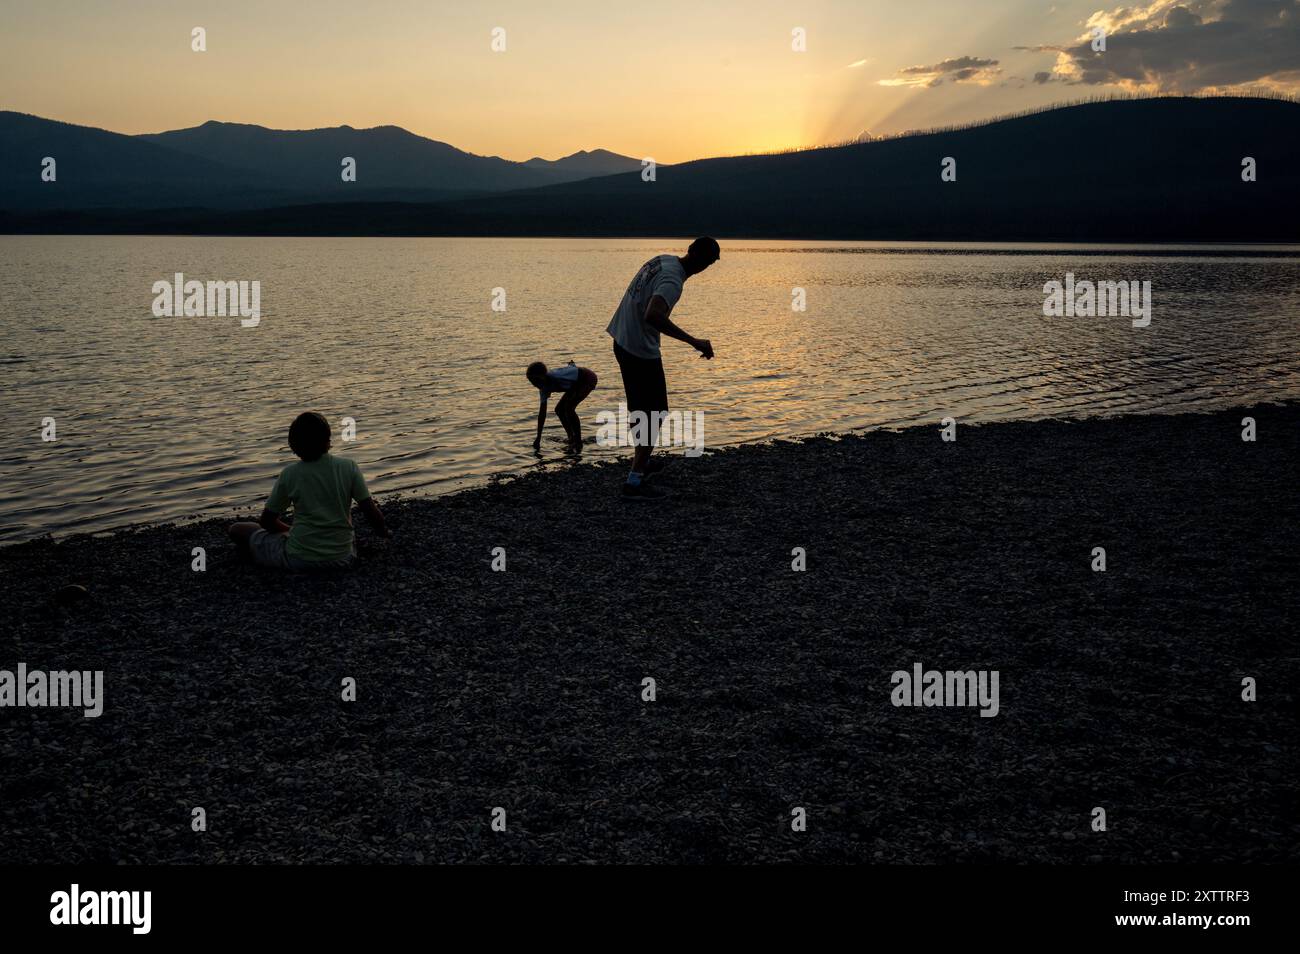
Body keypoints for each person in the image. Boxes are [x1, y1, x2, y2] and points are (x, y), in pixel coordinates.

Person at [606, 236, 719, 500]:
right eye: (708, 262)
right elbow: (653, 314)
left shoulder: (663, 260)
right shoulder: (673, 280)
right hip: (639, 349)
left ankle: (641, 462)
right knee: (655, 412)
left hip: (622, 337)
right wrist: (694, 341)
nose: (705, 267)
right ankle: (634, 482)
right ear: (703, 260)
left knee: (641, 409)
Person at [228, 412, 389, 570]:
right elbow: (370, 511)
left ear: (294, 446)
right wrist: (383, 532)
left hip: (298, 559)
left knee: (238, 529)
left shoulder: (290, 474)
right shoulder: (349, 467)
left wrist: (289, 531)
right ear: (328, 441)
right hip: (343, 558)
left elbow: (267, 521)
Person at [526, 360, 598, 450]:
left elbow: (576, 372)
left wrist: (572, 367)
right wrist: (538, 438)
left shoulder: (556, 376)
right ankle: (571, 437)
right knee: (559, 410)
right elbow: (542, 414)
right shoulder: (543, 388)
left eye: (536, 381)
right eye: (532, 382)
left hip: (586, 378)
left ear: (544, 375)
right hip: (574, 385)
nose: (535, 385)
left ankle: (578, 442)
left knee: (569, 409)